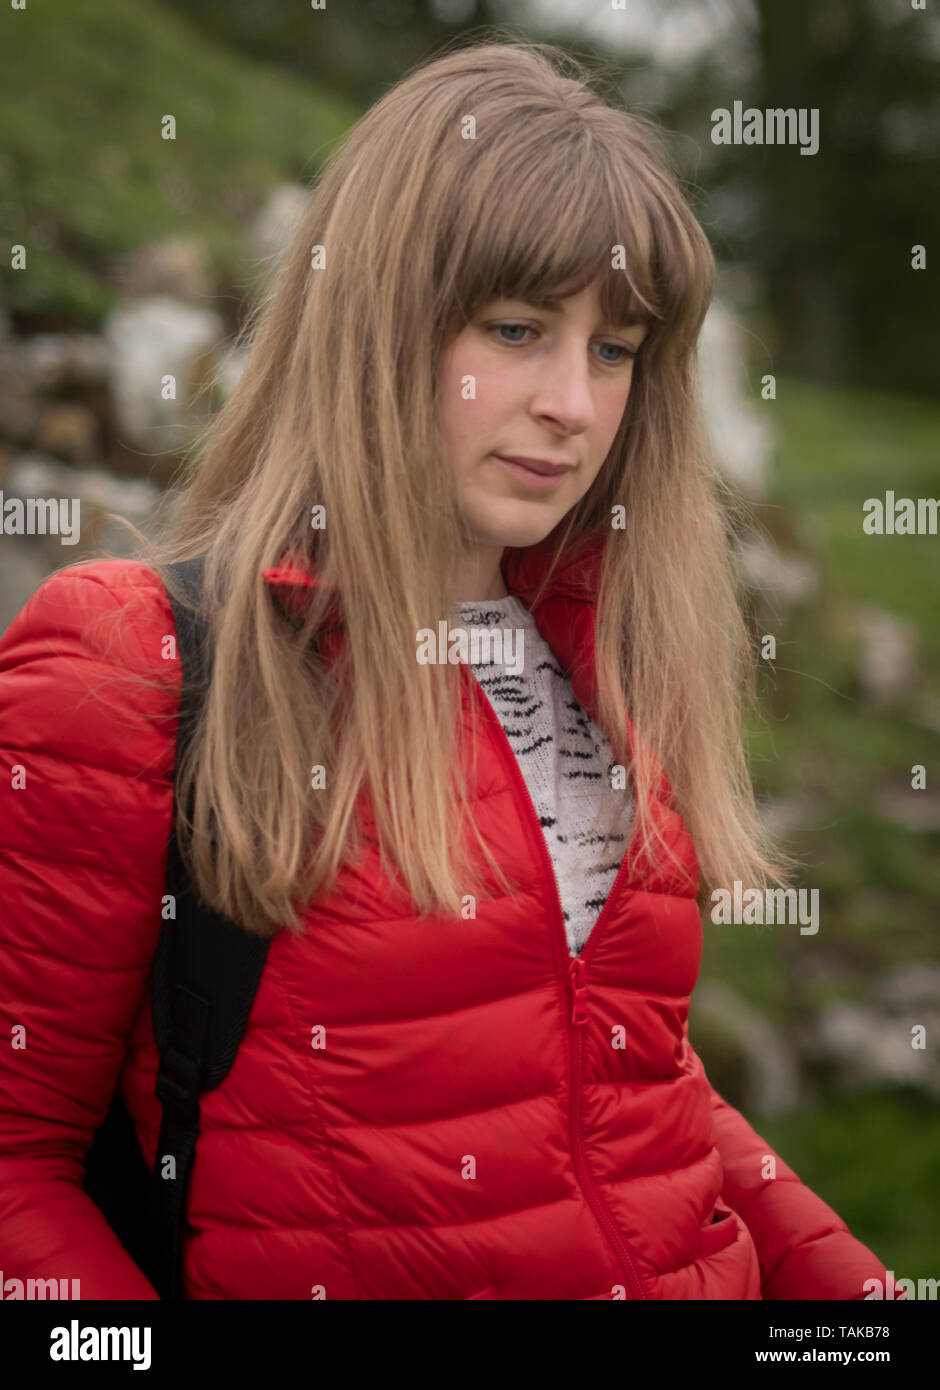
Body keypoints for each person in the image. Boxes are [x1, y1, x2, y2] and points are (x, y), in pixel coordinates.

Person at [0, 37, 890, 1300]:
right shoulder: (133, 660)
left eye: (614, 349)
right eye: (518, 329)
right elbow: (15, 1167)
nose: (572, 406)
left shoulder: (603, 658)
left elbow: (630, 1090)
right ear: (376, 321)